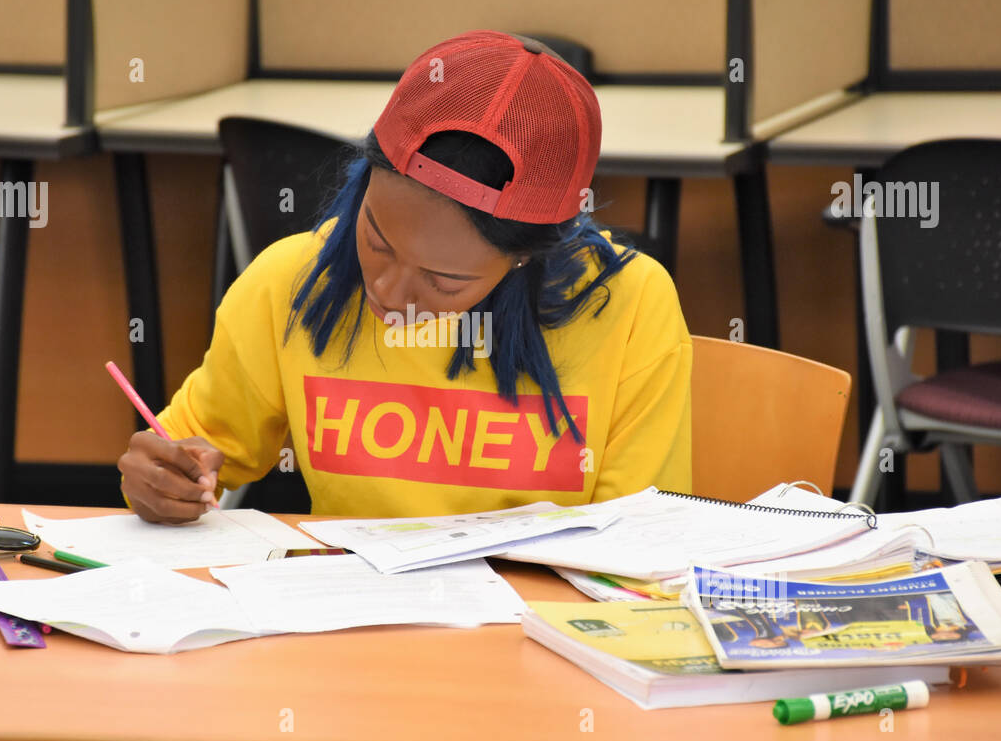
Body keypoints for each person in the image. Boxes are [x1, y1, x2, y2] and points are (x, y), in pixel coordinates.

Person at [118, 30, 692, 522]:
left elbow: (634, 543)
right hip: (353, 628)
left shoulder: (630, 306)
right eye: (376, 238)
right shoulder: (294, 280)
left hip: (531, 633)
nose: (387, 293)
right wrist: (158, 483)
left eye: (443, 281)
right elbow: (193, 458)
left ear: (524, 256)